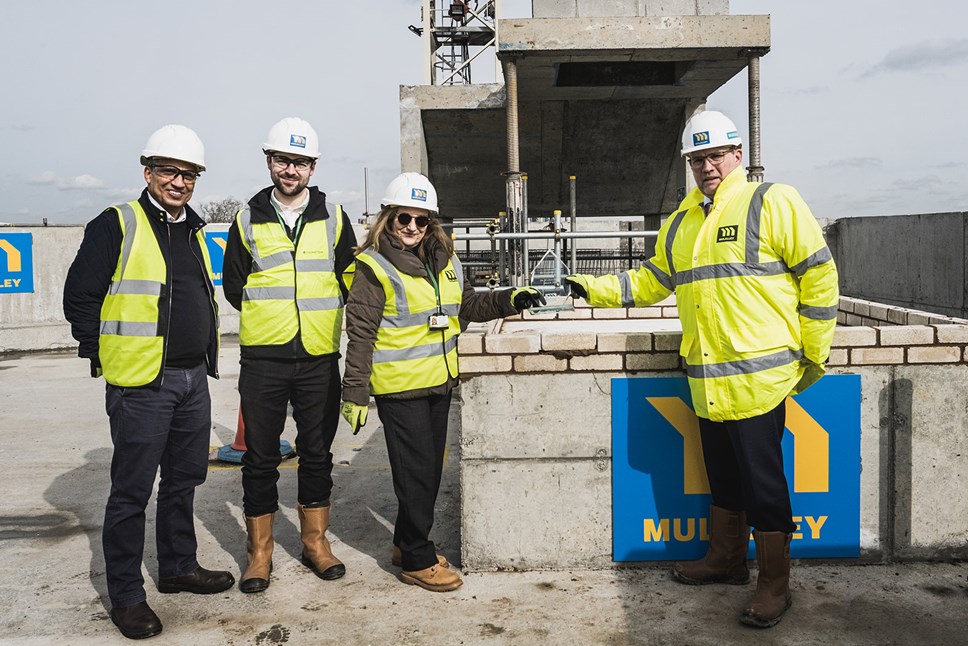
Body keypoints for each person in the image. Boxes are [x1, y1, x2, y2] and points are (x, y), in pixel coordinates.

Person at [566, 110, 839, 628]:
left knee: (764, 486)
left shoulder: (772, 201)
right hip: (708, 383)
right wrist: (588, 288)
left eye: (715, 155)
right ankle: (727, 560)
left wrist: (813, 353)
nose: (707, 166)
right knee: (724, 479)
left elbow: (820, 279)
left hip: (760, 381)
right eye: (697, 158)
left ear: (737, 155)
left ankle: (775, 583)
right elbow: (648, 283)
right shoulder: (682, 221)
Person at [63, 125, 233, 641]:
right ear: (148, 173)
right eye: (169, 172)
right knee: (131, 491)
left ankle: (178, 566)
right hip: (142, 382)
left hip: (192, 379)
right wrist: (107, 356)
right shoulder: (118, 223)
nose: (179, 182)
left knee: (185, 481)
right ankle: (128, 596)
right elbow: (80, 299)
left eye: (188, 174)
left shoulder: (193, 229)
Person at [340, 172, 544, 592]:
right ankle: (416, 558)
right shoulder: (373, 266)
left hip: (439, 382)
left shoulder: (445, 260)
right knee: (415, 474)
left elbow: (466, 305)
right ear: (388, 219)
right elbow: (360, 332)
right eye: (403, 219)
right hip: (400, 387)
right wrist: (355, 391)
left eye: (421, 220)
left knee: (428, 471)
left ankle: (403, 541)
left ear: (432, 222)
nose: (412, 228)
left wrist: (510, 298)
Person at [222, 117, 358, 593]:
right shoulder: (246, 220)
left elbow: (349, 281)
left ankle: (314, 544)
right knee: (259, 458)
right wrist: (274, 322)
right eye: (282, 159)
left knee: (316, 454)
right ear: (269, 161)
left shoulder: (335, 218)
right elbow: (234, 287)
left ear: (312, 167)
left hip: (319, 356)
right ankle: (259, 553)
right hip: (264, 360)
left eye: (299, 162)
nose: (290, 169)